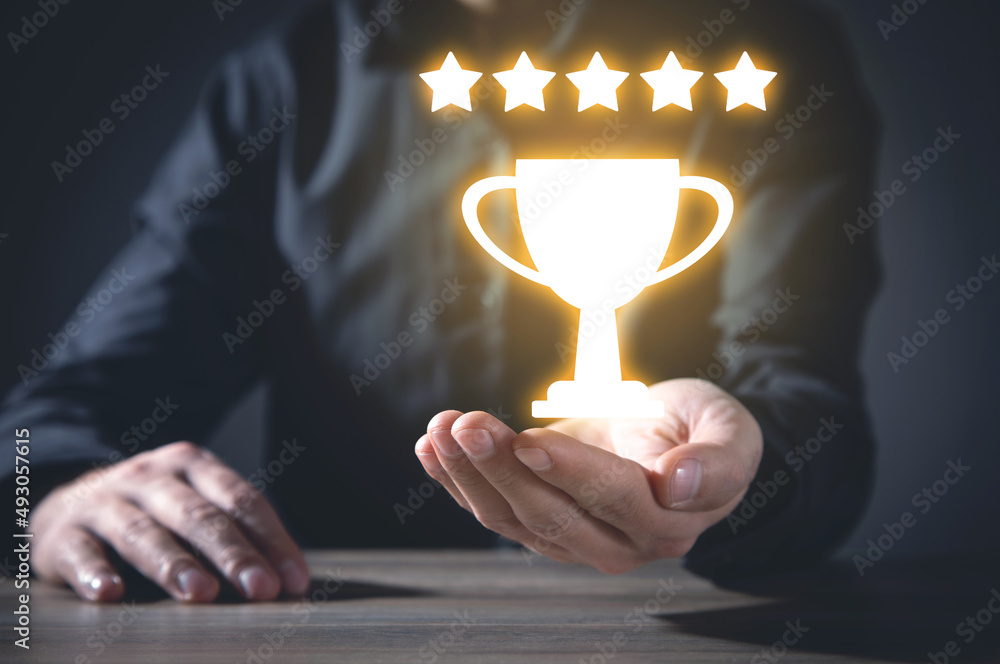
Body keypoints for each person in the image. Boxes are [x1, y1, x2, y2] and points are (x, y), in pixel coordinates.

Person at [0, 0, 881, 603]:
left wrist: (732, 483)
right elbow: (56, 415)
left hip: (690, 633)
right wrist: (55, 491)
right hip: (339, 635)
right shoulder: (283, 82)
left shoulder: (761, 57)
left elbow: (814, 417)